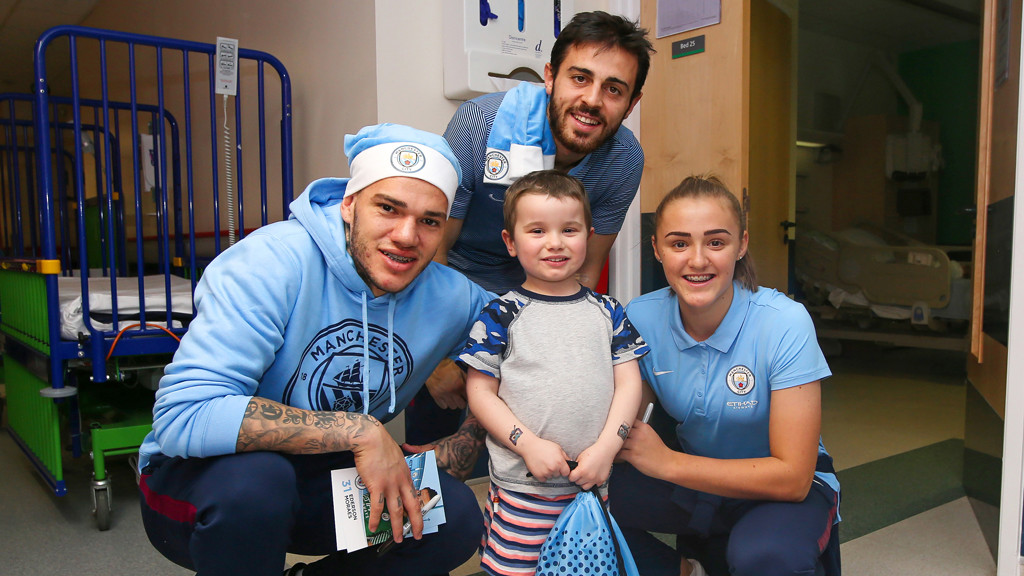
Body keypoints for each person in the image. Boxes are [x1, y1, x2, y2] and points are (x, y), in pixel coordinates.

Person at [135, 123, 494, 576]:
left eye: (429, 221)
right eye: (388, 208)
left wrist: (467, 438)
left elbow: (533, 353)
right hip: (208, 483)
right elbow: (183, 416)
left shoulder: (452, 296)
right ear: (349, 204)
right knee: (259, 484)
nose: (407, 236)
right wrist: (359, 432)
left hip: (327, 479)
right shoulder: (270, 262)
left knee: (453, 514)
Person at [407, 8, 656, 463]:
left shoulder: (624, 160)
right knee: (437, 457)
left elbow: (588, 267)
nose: (593, 100)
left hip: (544, 300)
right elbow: (431, 247)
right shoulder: (479, 126)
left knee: (545, 448)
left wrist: (565, 356)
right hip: (452, 292)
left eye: (614, 89)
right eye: (580, 78)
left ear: (632, 103)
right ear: (550, 76)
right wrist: (436, 361)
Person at [609, 175, 841, 576]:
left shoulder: (784, 322)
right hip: (698, 485)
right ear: (657, 250)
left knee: (766, 558)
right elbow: (629, 413)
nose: (697, 260)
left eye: (716, 242)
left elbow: (792, 478)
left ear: (742, 245)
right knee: (561, 504)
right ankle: (684, 570)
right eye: (679, 243)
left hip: (780, 492)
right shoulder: (641, 316)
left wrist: (666, 463)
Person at [458, 170, 648, 576]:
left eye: (569, 229)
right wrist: (527, 445)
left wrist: (608, 450)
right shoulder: (500, 314)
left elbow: (630, 383)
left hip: (592, 484)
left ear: (588, 236)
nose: (555, 242)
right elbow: (480, 393)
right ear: (511, 242)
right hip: (523, 491)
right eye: (537, 230)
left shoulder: (609, 312)